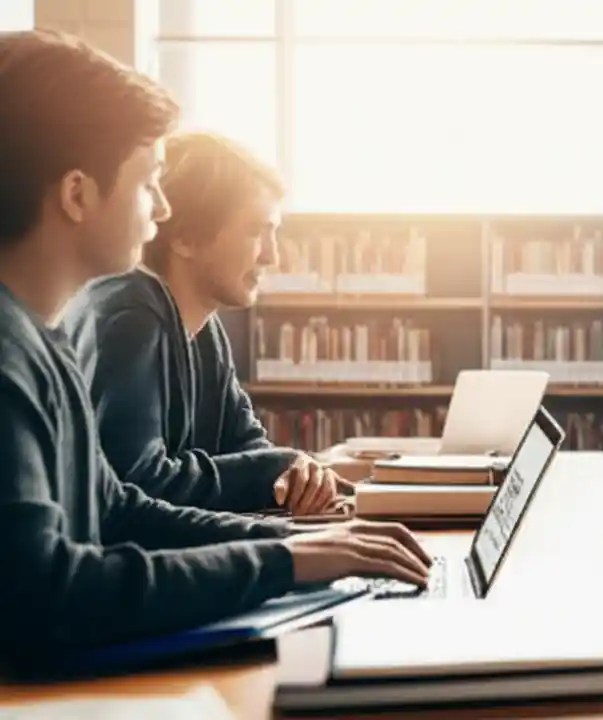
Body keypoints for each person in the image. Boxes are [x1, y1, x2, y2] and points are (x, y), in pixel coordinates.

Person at [0, 30, 429, 667]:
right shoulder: (14, 357)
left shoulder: (45, 339)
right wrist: (280, 557)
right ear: (77, 194)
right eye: (149, 184)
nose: (164, 207)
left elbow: (118, 509)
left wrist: (292, 543)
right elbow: (46, 597)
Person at [64, 132, 346, 515]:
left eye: (273, 233)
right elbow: (137, 482)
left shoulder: (204, 327)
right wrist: (275, 470)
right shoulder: (128, 314)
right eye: (254, 231)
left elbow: (246, 447)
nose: (272, 256)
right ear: (185, 238)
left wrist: (298, 478)